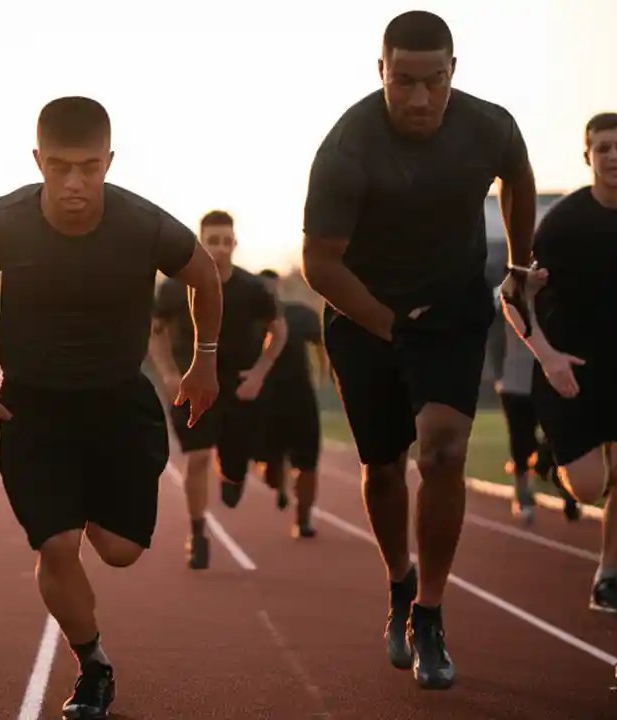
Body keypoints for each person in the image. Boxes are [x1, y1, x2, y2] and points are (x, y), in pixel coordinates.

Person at [0, 96, 222, 720]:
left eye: (91, 168)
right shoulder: (3, 223)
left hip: (117, 404)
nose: (75, 183)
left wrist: (204, 358)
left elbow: (202, 275)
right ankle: (93, 663)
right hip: (34, 410)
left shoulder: (141, 223)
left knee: (121, 550)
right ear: (39, 160)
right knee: (57, 542)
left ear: (110, 162)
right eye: (62, 167)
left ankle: (95, 516)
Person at [300, 10, 539, 690]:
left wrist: (521, 266)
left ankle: (429, 613)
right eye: (402, 81)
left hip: (454, 311)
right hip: (363, 313)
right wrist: (387, 324)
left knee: (442, 450)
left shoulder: (489, 125)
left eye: (433, 81)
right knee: (384, 466)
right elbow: (320, 264)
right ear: (381, 72)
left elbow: (518, 177)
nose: (418, 98)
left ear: (453, 74)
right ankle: (399, 582)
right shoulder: (347, 147)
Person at [515, 112, 617, 616]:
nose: (614, 156)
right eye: (603, 148)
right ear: (587, 155)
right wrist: (547, 358)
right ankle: (550, 457)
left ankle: (606, 579)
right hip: (569, 361)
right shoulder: (563, 224)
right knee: (589, 489)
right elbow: (510, 294)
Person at [149, 211, 287, 570]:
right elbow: (154, 330)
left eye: (227, 241)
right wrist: (167, 372)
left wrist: (259, 373)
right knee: (197, 457)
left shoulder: (253, 288)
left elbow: (280, 330)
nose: (221, 248)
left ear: (235, 244)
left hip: (238, 387)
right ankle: (197, 534)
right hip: (191, 384)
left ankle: (235, 474)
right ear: (201, 241)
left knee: (234, 463)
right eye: (213, 241)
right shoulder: (175, 287)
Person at [489, 287, 581, 523]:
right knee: (521, 443)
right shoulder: (505, 294)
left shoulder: (556, 293)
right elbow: (494, 336)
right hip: (514, 380)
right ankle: (522, 495)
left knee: (559, 437)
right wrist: (498, 372)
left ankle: (565, 488)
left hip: (549, 379)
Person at [251, 269, 326, 538]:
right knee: (269, 469)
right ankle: (279, 483)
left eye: (271, 287)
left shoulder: (300, 314)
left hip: (300, 396)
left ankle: (303, 520)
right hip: (263, 399)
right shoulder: (245, 318)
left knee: (307, 463)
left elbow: (321, 346)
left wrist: (324, 375)